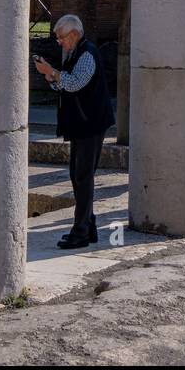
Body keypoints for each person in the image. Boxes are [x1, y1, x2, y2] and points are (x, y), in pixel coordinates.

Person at [33, 14, 115, 249]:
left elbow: (76, 83)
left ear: (74, 35)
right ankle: (88, 228)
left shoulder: (87, 53)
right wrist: (50, 75)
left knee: (83, 177)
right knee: (77, 176)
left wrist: (53, 71)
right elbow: (64, 83)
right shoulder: (75, 53)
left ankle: (80, 233)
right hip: (82, 124)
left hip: (91, 123)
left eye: (61, 38)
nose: (59, 42)